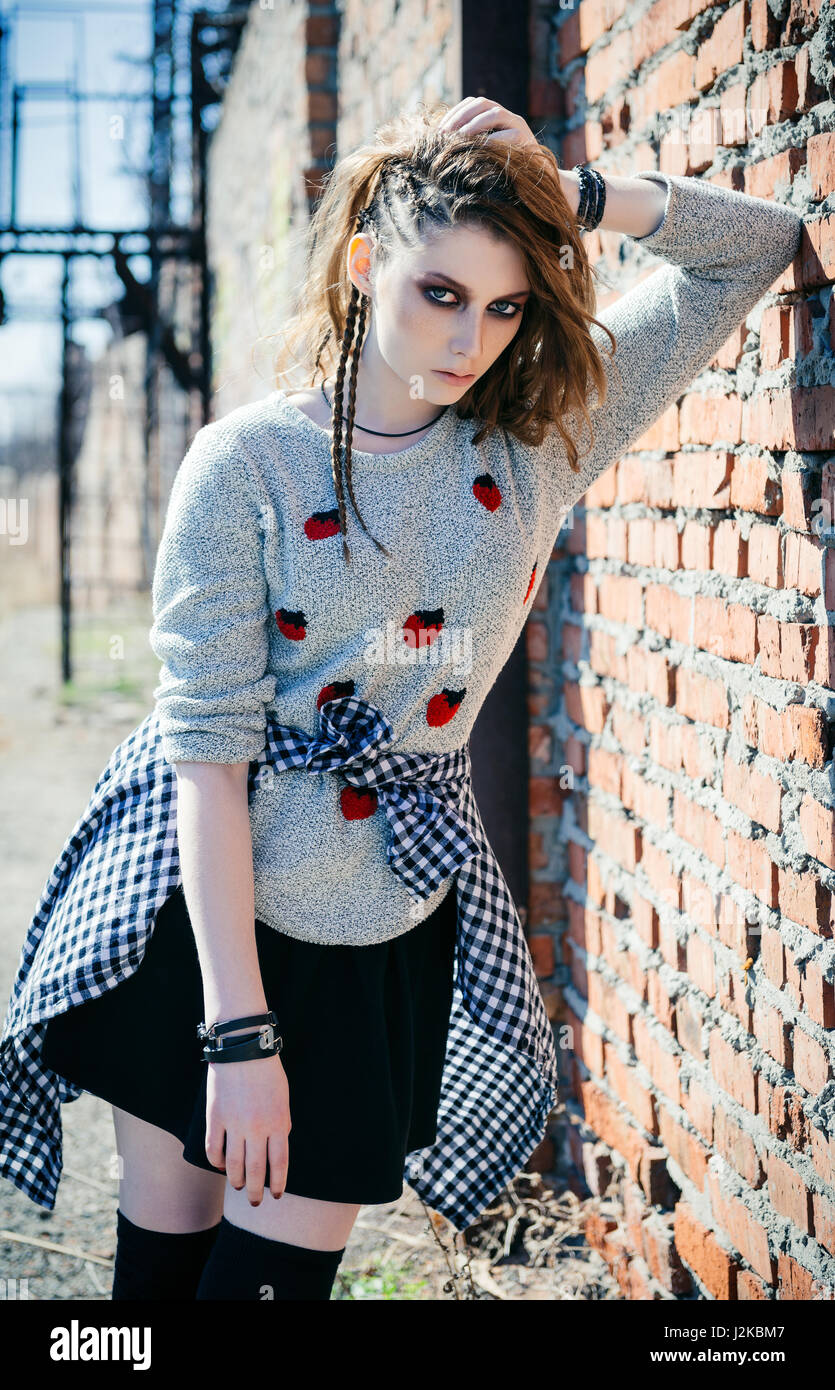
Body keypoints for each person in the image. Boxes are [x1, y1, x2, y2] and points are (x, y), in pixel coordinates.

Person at [0, 97, 803, 1302]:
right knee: (154, 1291)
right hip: (205, 913)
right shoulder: (245, 464)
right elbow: (207, 759)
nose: (469, 335)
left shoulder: (538, 445)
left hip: (380, 923)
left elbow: (756, 241)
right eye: (439, 292)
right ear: (368, 263)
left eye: (504, 304)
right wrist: (237, 1037)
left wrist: (566, 193)